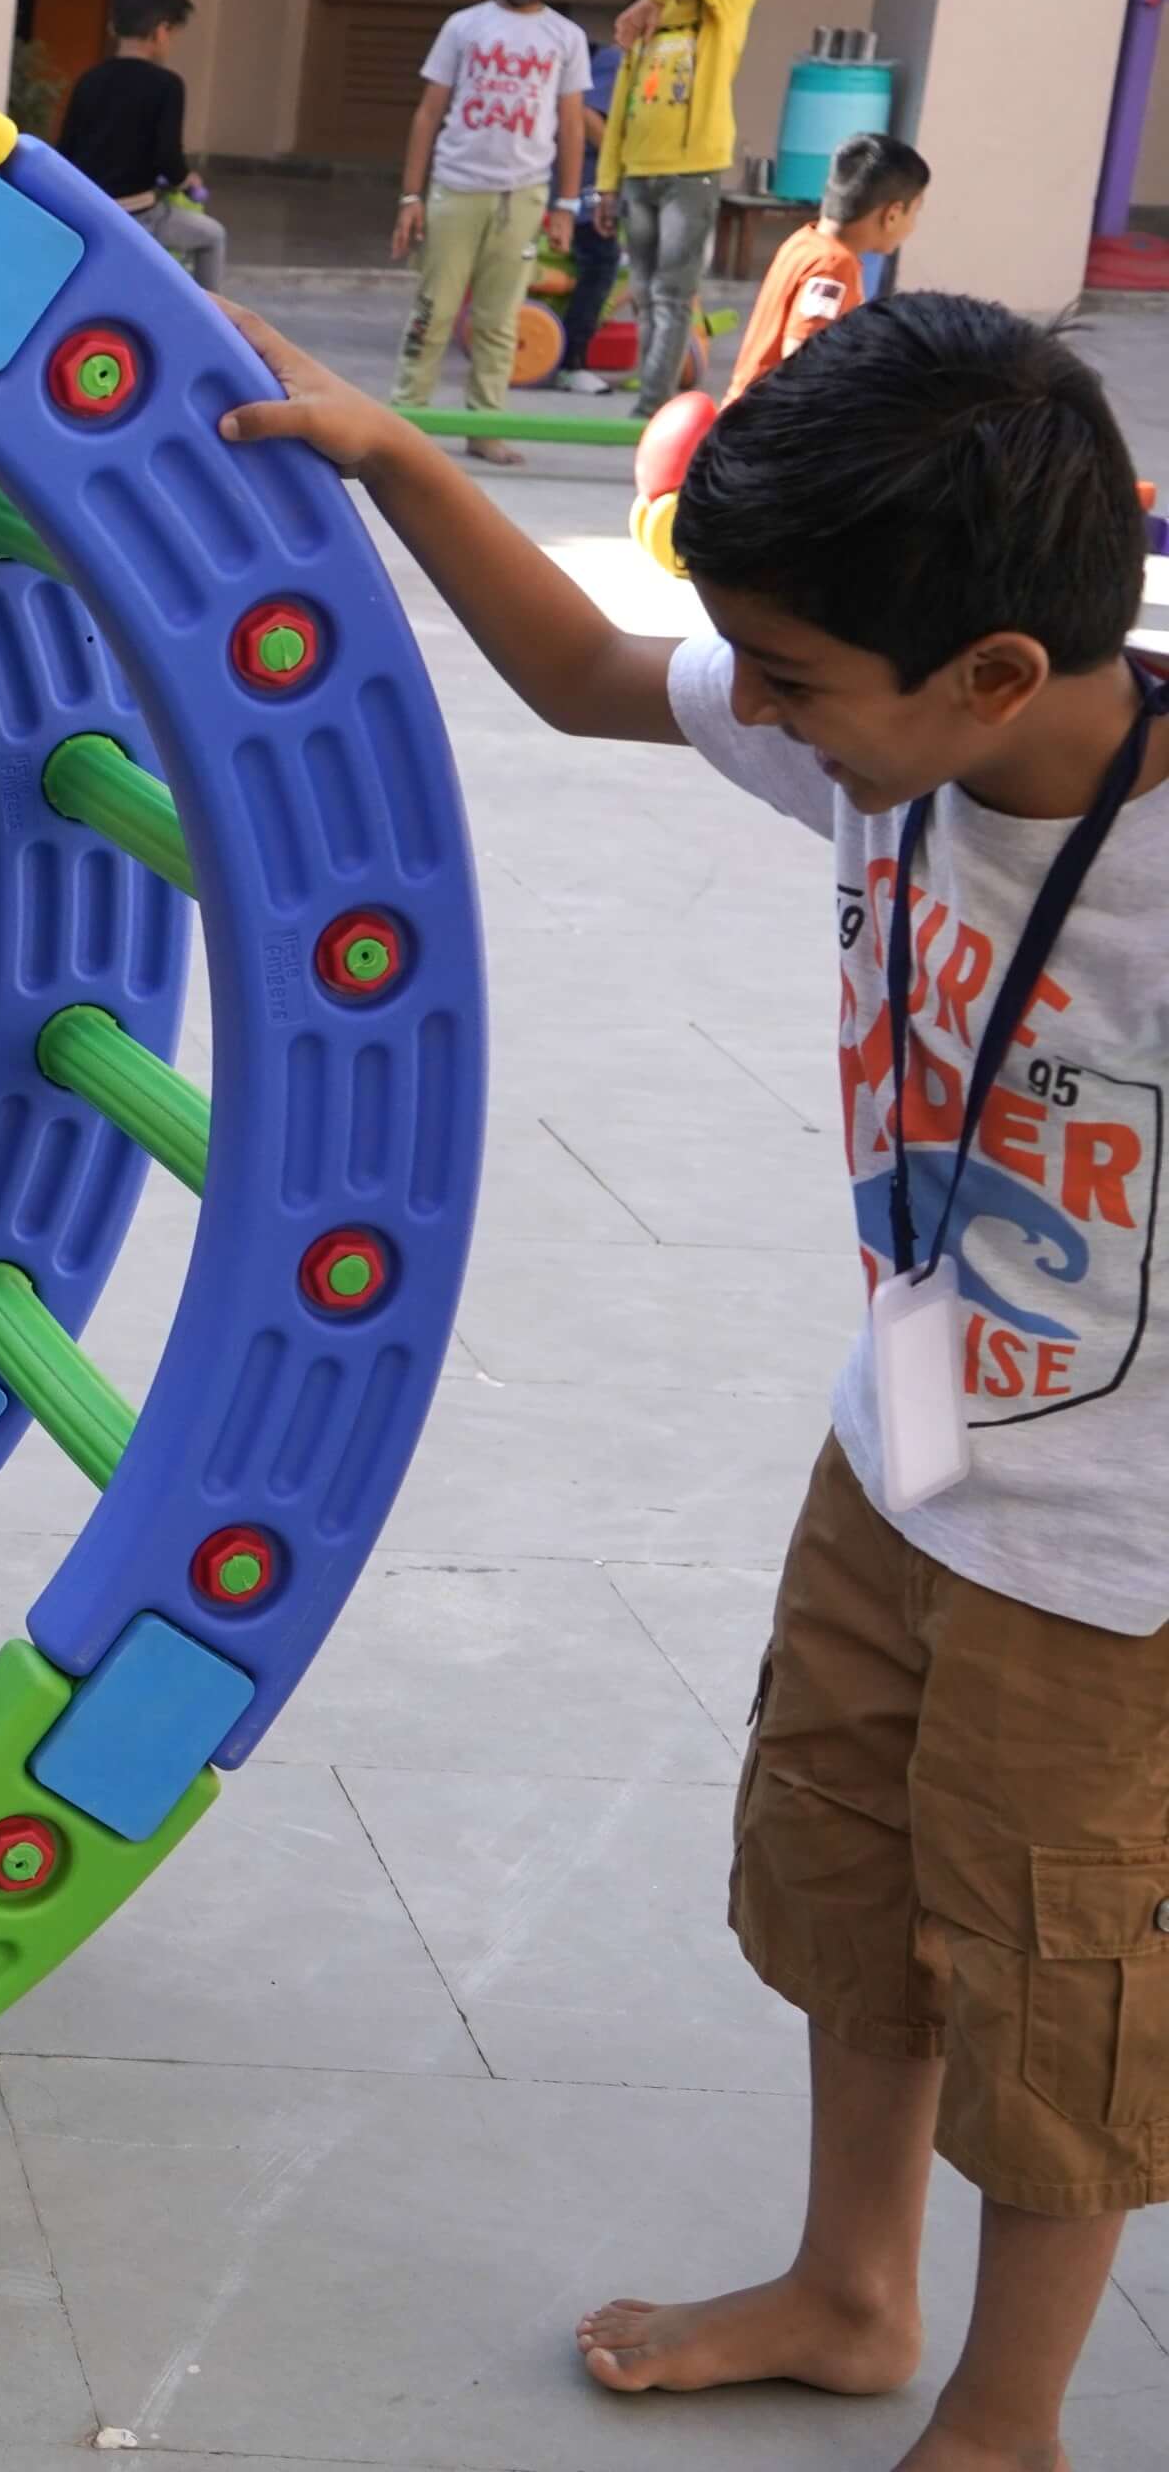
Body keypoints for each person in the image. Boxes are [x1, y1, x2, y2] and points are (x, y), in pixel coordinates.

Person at [216, 292, 1164, 2472]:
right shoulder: (887, 711)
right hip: (906, 1435)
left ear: (996, 676)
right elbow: (577, 673)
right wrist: (390, 457)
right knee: (851, 1870)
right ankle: (853, 2286)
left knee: (1060, 1971)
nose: (777, 713)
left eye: (806, 683)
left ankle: (1010, 2414)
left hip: (1117, 1553)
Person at [392, 0, 592, 461]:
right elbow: (429, 113)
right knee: (432, 311)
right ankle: (408, 419)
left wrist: (566, 204)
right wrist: (412, 196)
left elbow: (572, 126)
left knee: (500, 320)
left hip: (522, 199)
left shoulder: (566, 39)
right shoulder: (464, 27)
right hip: (454, 192)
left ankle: (485, 426)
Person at [589, 0, 756, 411]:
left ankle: (654, 407)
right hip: (639, 174)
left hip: (692, 174)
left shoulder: (728, 1)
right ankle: (650, 388)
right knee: (641, 294)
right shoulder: (650, 24)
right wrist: (607, 185)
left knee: (670, 294)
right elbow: (620, 110)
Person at [723, 132, 929, 406]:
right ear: (892, 215)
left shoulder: (805, 241)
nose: (913, 226)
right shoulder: (833, 266)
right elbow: (802, 360)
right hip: (769, 429)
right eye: (915, 213)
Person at [57, 0, 225, 287]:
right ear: (161, 31)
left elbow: (66, 150)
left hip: (88, 212)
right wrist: (187, 180)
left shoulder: (89, 80)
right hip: (139, 218)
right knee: (212, 237)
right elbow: (168, 159)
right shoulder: (167, 85)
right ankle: (214, 320)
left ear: (113, 27)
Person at [544, 37, 627, 391]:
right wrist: (622, 162)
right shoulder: (619, 57)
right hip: (589, 185)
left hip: (616, 187)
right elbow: (585, 112)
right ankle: (572, 362)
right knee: (600, 262)